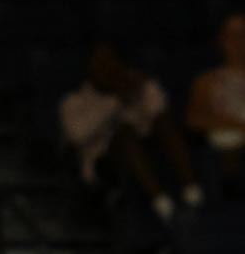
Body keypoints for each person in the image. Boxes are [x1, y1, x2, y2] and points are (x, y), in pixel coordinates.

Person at [60, 44, 203, 222]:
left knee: (164, 123)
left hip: (151, 152)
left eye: (111, 61)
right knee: (124, 134)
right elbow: (77, 136)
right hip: (104, 163)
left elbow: (159, 115)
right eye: (100, 63)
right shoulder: (74, 102)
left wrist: (142, 90)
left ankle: (192, 190)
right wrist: (116, 101)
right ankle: (160, 202)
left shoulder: (139, 87)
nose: (106, 68)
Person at [188, 13, 245, 197]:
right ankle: (231, 181)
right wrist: (237, 125)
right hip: (226, 137)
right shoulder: (207, 81)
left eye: (243, 35)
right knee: (227, 139)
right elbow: (195, 119)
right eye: (233, 36)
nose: (239, 42)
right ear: (222, 40)